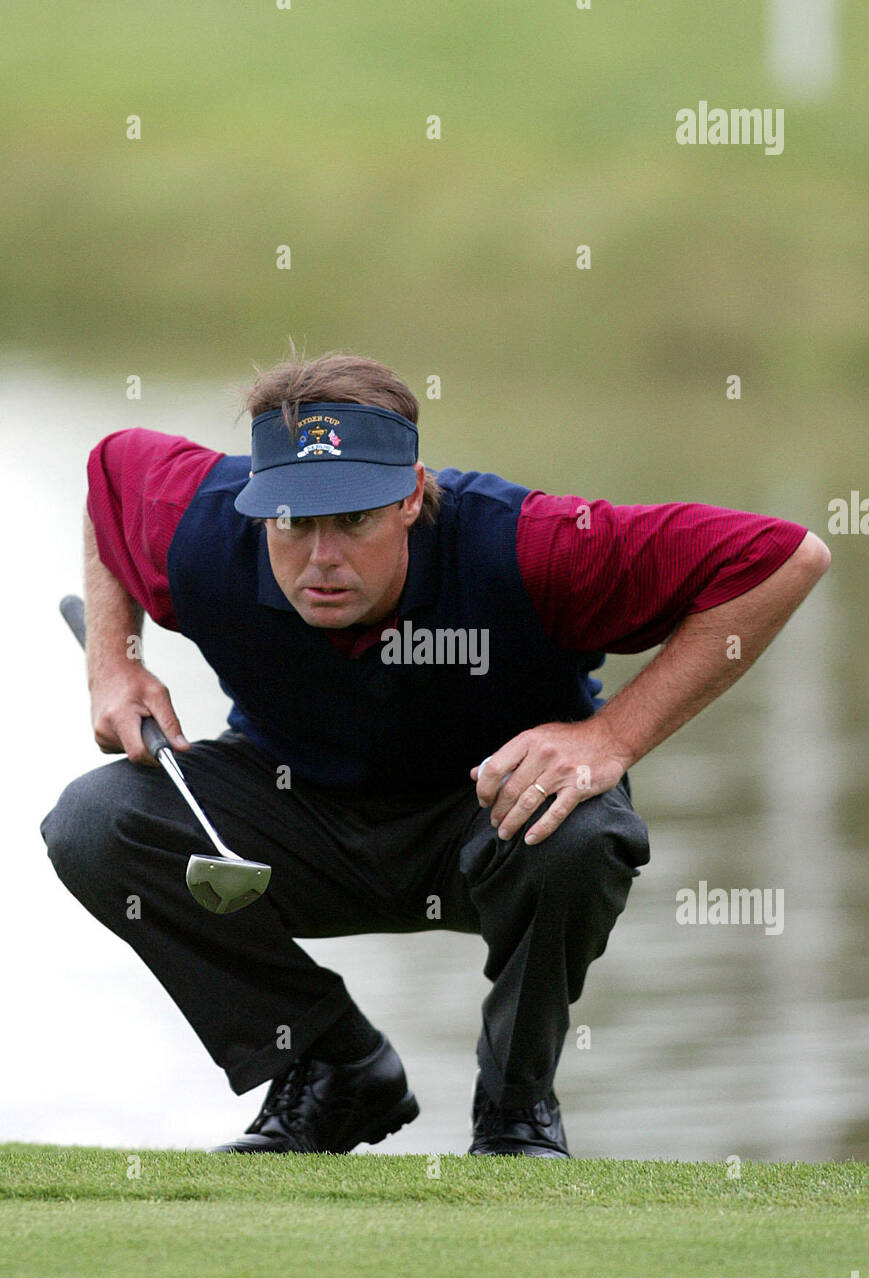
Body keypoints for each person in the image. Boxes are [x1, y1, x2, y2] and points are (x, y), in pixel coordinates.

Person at [40, 348, 831, 1159]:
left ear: (411, 495)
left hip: (493, 824)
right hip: (292, 812)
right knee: (95, 822)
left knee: (585, 831)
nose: (321, 559)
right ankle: (333, 1068)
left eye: (354, 519)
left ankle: (514, 1113)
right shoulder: (205, 526)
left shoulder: (532, 545)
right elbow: (111, 479)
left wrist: (609, 738)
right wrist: (114, 663)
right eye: (291, 522)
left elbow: (783, 558)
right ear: (257, 506)